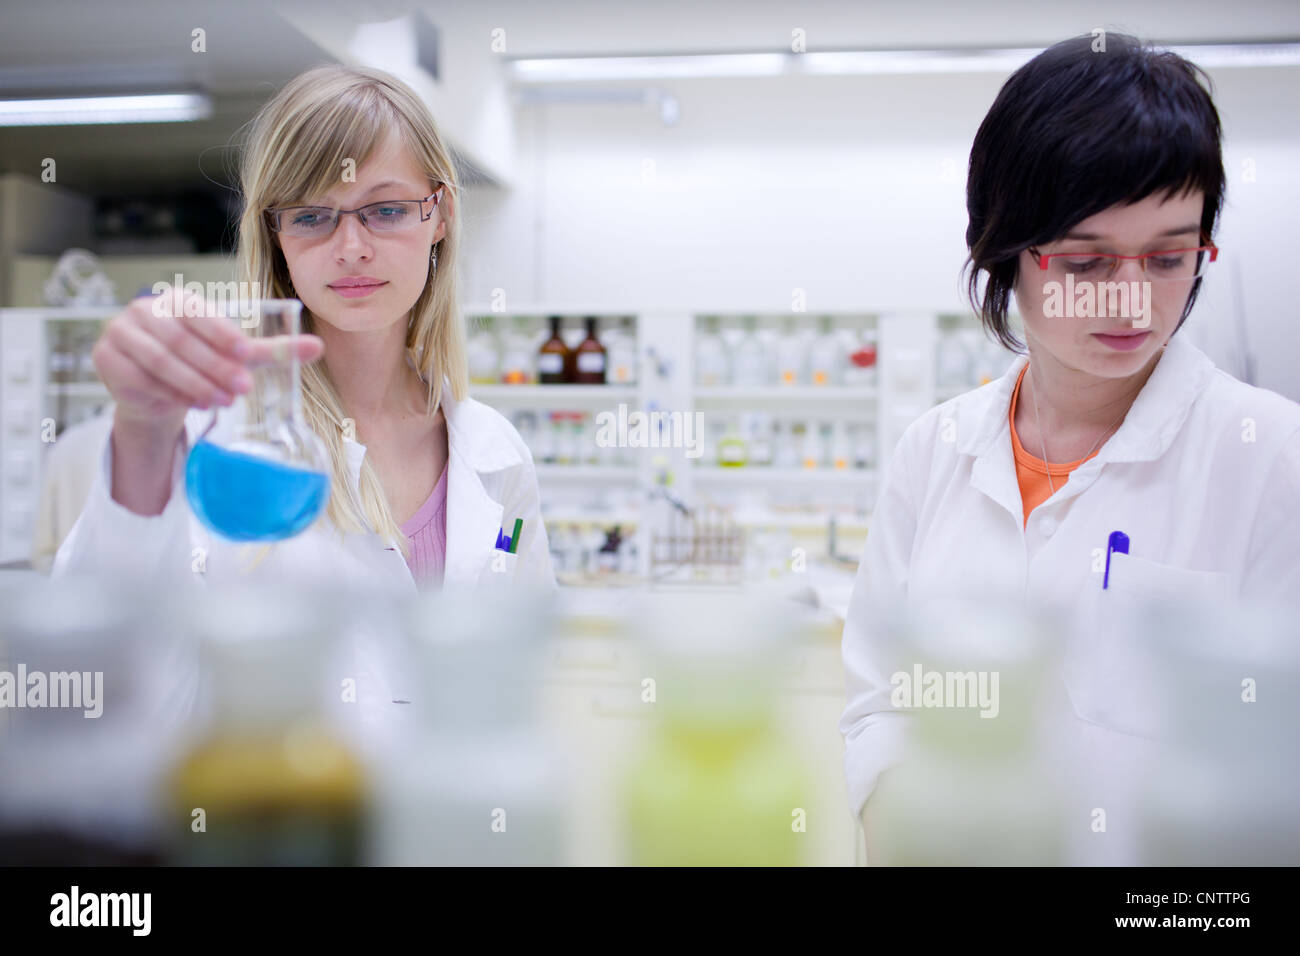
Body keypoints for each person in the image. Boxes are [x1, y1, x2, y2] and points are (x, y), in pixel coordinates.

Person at [839, 33, 1300, 862]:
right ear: (1006, 250)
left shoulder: (1271, 458)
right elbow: (880, 704)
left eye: (1169, 257)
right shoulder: (932, 452)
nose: (1133, 299)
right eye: (1086, 261)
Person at [52, 64, 555, 596]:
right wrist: (143, 435)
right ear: (276, 237)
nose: (352, 247)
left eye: (386, 210)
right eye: (312, 217)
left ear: (441, 214)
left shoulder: (496, 452)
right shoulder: (214, 436)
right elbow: (95, 651)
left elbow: (531, 657)